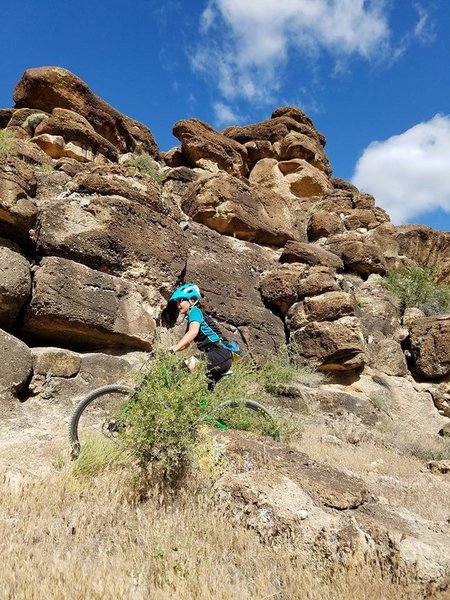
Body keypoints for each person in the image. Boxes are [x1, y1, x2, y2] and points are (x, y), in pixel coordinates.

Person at [168, 283, 232, 387]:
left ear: (192, 300)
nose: (177, 304)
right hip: (223, 357)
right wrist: (172, 349)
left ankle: (170, 399)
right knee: (203, 393)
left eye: (180, 300)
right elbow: (187, 343)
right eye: (176, 302)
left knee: (182, 368)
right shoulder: (193, 318)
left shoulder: (195, 311)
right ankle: (203, 403)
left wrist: (175, 349)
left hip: (219, 353)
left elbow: (192, 333)